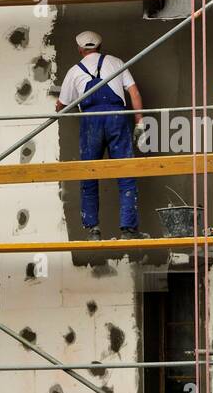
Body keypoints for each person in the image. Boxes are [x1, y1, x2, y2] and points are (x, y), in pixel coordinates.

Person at [56, 30, 147, 241]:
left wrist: (62, 101)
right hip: (117, 118)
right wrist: (139, 121)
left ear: (79, 49)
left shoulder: (74, 72)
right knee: (125, 172)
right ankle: (128, 230)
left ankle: (93, 231)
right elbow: (134, 92)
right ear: (100, 46)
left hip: (91, 121)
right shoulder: (116, 62)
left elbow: (61, 106)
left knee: (89, 174)